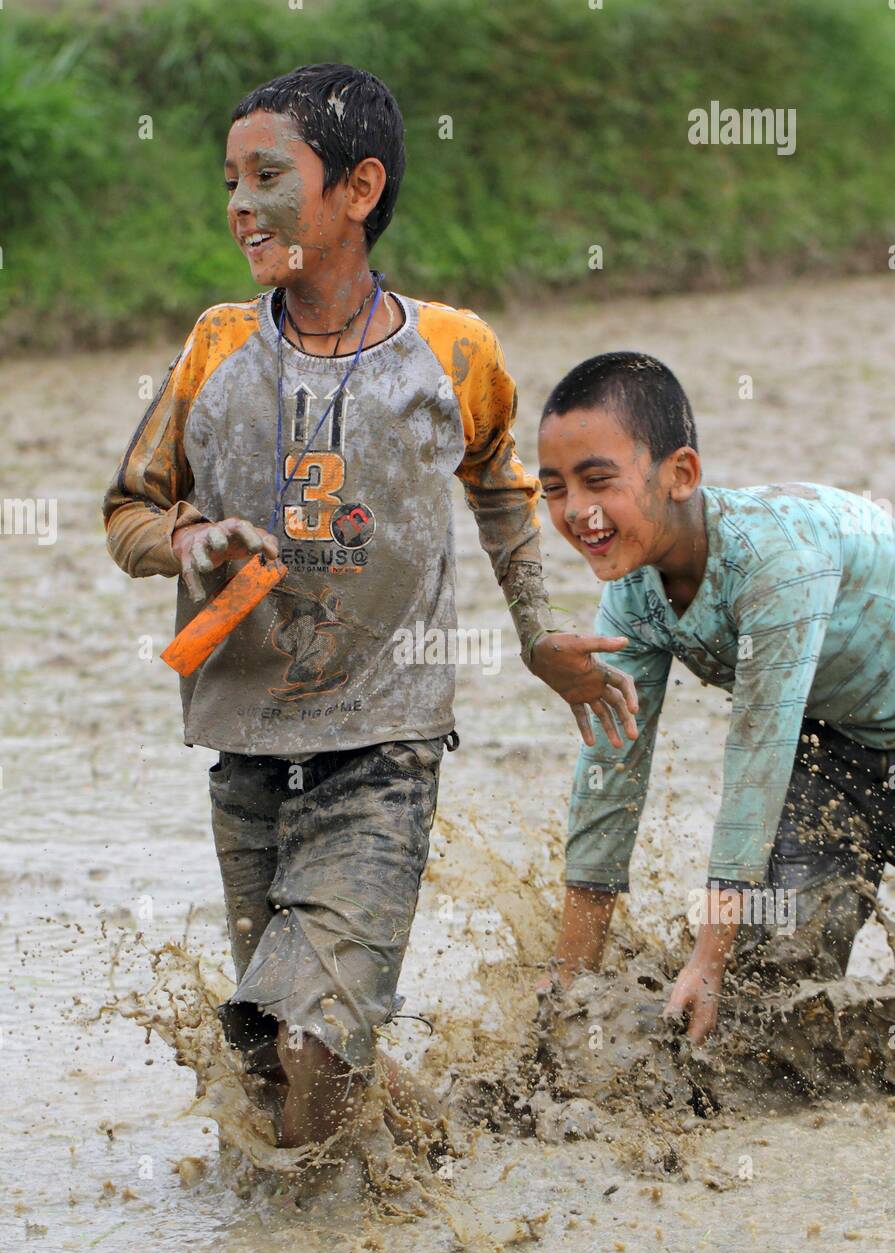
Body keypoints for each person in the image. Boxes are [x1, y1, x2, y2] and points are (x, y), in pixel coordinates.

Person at [102, 65, 635, 1151]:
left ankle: (324, 1243)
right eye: (228, 181)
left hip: (385, 747)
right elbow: (127, 513)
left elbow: (498, 480)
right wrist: (193, 539)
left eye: (266, 176)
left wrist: (536, 633)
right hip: (246, 742)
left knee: (318, 1040)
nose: (240, 204)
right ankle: (369, 1162)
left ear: (358, 188)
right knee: (261, 1050)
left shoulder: (451, 351)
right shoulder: (214, 349)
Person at [537, 350, 895, 1040]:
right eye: (554, 488)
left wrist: (705, 957)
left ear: (680, 475)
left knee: (719, 970)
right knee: (771, 1012)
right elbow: (611, 772)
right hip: (834, 754)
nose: (578, 512)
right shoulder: (632, 596)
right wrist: (568, 978)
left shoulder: (773, 563)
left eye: (597, 481)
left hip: (808, 736)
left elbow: (754, 753)